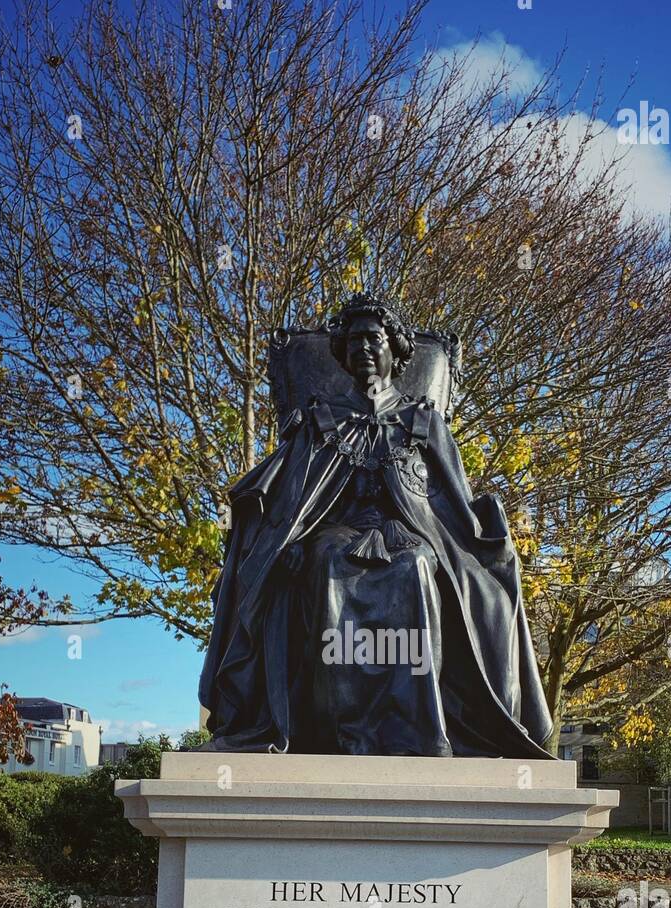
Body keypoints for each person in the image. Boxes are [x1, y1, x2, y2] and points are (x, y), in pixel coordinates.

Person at [198, 293, 553, 758]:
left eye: (374, 339)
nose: (363, 348)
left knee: (416, 569)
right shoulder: (320, 420)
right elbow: (294, 499)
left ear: (395, 351)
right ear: (343, 355)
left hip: (411, 535)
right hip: (335, 532)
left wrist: (483, 539)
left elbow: (454, 504)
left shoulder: (424, 422)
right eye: (354, 341)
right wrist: (288, 541)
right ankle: (334, 735)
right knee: (326, 565)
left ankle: (419, 734)